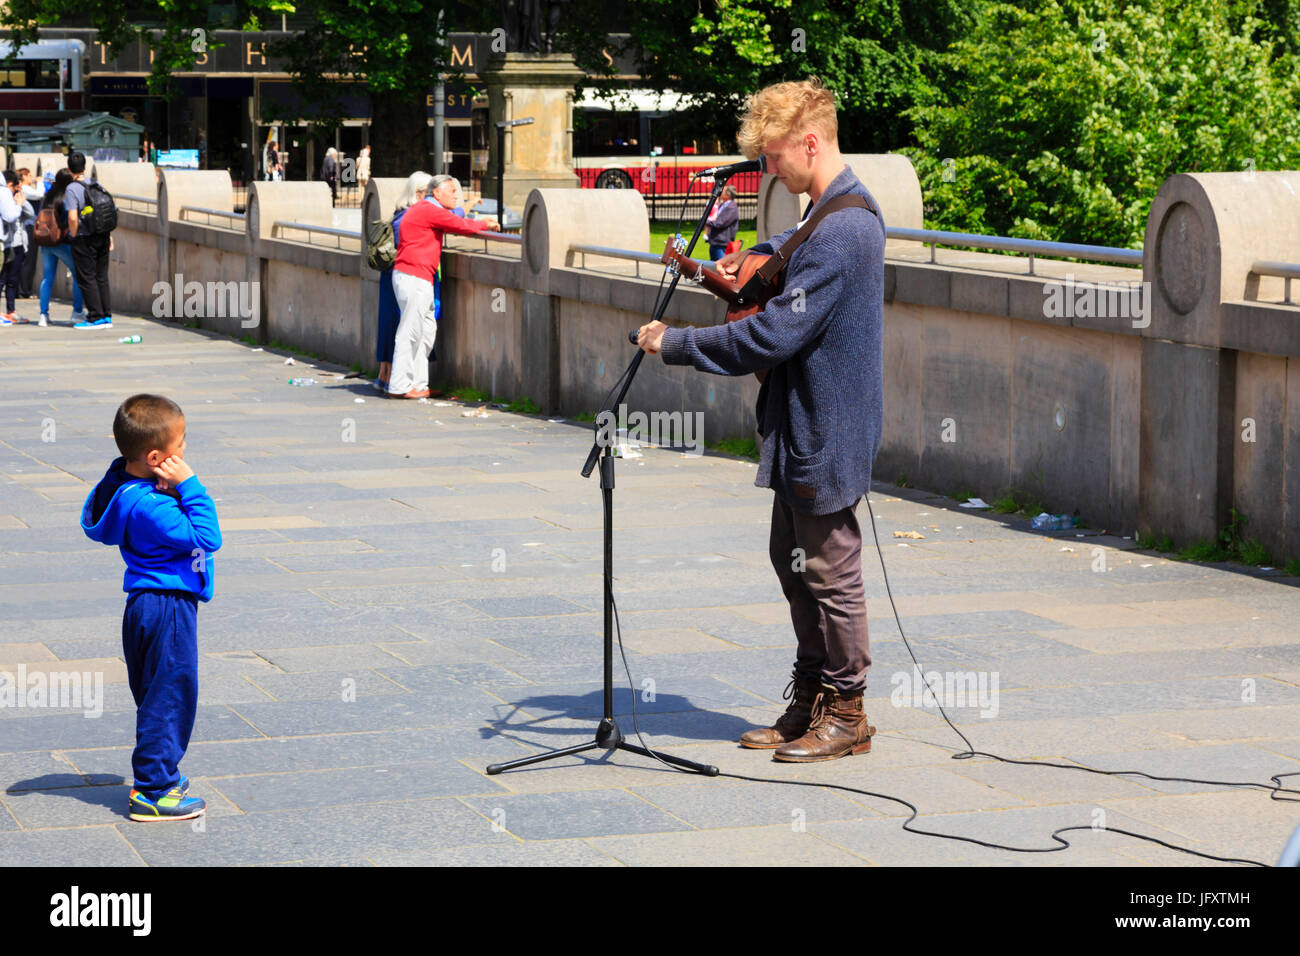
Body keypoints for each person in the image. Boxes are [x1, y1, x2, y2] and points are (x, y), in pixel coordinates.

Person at [636, 77, 887, 762]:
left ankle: (848, 712)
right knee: (793, 559)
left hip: (825, 426)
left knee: (831, 571)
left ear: (811, 141)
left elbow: (773, 335)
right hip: (799, 420)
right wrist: (721, 274)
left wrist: (677, 343)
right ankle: (811, 699)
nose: (768, 169)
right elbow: (770, 283)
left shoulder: (845, 228)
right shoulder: (817, 217)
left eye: (775, 155)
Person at [80, 394, 221, 822]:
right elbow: (206, 536)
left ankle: (161, 773)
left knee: (154, 691)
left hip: (142, 605)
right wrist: (190, 485)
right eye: (180, 448)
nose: (184, 455)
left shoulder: (127, 491)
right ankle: (154, 790)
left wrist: (143, 472)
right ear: (157, 457)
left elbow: (116, 481)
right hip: (168, 607)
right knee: (170, 695)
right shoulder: (154, 506)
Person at [388, 173, 498, 398]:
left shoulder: (425, 209)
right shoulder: (429, 210)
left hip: (419, 276)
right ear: (437, 193)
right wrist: (484, 223)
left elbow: (454, 220)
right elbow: (459, 224)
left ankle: (419, 385)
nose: (456, 194)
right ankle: (399, 386)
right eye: (452, 190)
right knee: (410, 331)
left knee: (425, 331)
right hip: (413, 276)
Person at [374, 172, 428, 390]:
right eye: (429, 193)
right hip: (403, 274)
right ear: (418, 193)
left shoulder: (399, 213)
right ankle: (394, 379)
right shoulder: (411, 215)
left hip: (391, 274)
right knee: (401, 324)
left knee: (389, 323)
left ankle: (384, 375)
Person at [64, 151, 114, 330]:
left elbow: (72, 217)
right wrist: (109, 236)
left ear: (69, 169)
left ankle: (95, 317)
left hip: (84, 237)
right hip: (102, 235)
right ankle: (106, 316)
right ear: (85, 167)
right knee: (102, 277)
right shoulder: (96, 184)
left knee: (87, 278)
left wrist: (75, 235)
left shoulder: (72, 189)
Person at [37, 169, 86, 327]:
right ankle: (77, 312)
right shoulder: (66, 197)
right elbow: (70, 220)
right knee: (78, 275)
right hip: (63, 243)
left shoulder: (47, 196)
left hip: (46, 242)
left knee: (47, 278)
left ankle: (43, 315)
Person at [0, 171, 35, 324]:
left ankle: (11, 310)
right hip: (6, 243)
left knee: (13, 279)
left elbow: (31, 213)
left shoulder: (12, 198)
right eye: (14, 188)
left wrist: (20, 201)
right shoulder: (4, 196)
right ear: (9, 185)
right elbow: (9, 216)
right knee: (2, 279)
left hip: (17, 244)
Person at [18, 168, 43, 298]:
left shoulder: (23, 189)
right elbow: (39, 194)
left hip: (28, 226)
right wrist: (40, 182)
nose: (31, 177)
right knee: (29, 259)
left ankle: (22, 289)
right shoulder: (24, 189)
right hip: (29, 227)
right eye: (29, 175)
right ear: (23, 177)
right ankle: (24, 290)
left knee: (25, 259)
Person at [706, 185, 740, 261]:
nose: (720, 193)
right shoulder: (723, 205)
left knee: (720, 265)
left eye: (722, 191)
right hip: (716, 241)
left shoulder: (731, 207)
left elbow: (720, 223)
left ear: (728, 195)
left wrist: (706, 222)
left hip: (722, 243)